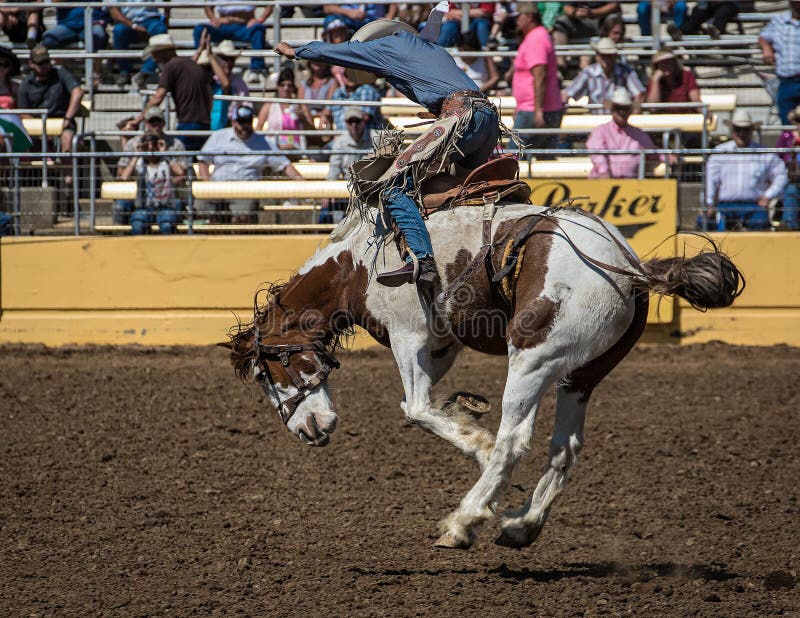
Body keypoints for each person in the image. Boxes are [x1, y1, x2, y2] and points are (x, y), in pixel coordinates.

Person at [276, 13, 501, 290]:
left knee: (393, 185)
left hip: (462, 118)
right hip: (488, 120)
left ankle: (423, 258)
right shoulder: (431, 49)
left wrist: (297, 51)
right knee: (461, 184)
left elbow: (339, 52)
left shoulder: (383, 47)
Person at [196, 106, 303, 224]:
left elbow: (285, 165)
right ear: (233, 121)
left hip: (245, 190)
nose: (244, 126)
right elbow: (203, 162)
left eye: (247, 122)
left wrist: (304, 185)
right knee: (200, 207)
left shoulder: (263, 142)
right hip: (217, 187)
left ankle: (235, 237)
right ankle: (216, 234)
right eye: (241, 122)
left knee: (243, 213)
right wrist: (207, 184)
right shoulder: (219, 136)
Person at [702, 109, 788, 231]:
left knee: (760, 223)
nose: (741, 133)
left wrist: (768, 196)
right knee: (705, 221)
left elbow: (781, 175)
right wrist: (709, 203)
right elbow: (710, 180)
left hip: (753, 205)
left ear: (751, 131)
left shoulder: (764, 153)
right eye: (738, 129)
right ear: (733, 130)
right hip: (726, 205)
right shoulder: (720, 152)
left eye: (746, 129)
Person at [126, 34, 213, 152]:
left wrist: (137, 120)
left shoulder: (171, 66)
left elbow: (158, 97)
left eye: (156, 53)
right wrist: (199, 50)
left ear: (164, 52)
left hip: (188, 124)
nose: (154, 58)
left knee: (180, 159)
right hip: (205, 124)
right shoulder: (189, 64)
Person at [115, 106, 187, 225]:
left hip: (167, 194)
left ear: (163, 123)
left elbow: (181, 174)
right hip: (138, 192)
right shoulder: (134, 143)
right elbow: (121, 174)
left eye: (158, 121)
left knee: (174, 210)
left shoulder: (175, 144)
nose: (156, 125)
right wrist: (137, 156)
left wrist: (163, 184)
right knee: (121, 206)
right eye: (152, 122)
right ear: (146, 123)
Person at [512, 3, 563, 153]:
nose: (517, 21)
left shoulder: (536, 38)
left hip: (535, 110)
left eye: (519, 17)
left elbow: (540, 76)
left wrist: (538, 110)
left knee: (512, 155)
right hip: (536, 108)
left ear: (529, 17)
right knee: (541, 156)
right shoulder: (538, 36)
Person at [17, 46, 83, 156]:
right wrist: (41, 130)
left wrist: (67, 118)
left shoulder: (61, 73)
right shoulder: (26, 83)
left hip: (62, 122)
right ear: (31, 63)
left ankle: (68, 173)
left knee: (67, 140)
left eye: (46, 62)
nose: (44, 66)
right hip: (37, 127)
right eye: (39, 63)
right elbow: (23, 113)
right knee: (20, 141)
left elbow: (78, 92)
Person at [118, 130, 181, 235]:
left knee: (167, 225)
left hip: (165, 207)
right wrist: (136, 155)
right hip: (143, 207)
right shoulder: (139, 163)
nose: (151, 148)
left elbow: (180, 172)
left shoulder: (165, 161)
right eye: (147, 145)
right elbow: (124, 177)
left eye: (154, 144)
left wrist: (165, 153)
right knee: (137, 225)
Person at [586, 88, 656, 179]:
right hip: (603, 183)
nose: (622, 111)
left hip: (630, 184)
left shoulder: (638, 134)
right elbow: (597, 155)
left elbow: (653, 151)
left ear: (630, 111)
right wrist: (604, 173)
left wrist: (667, 156)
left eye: (625, 108)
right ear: (612, 109)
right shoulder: (600, 131)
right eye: (618, 108)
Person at [193, 3, 272, 82]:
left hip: (245, 26)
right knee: (200, 29)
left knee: (258, 29)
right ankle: (202, 65)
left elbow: (270, 3)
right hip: (222, 27)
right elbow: (207, 5)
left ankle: (256, 69)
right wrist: (213, 18)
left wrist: (260, 19)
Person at [563, 37, 644, 113]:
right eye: (603, 55)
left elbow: (639, 95)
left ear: (615, 56)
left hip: (620, 123)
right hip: (596, 122)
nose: (607, 58)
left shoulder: (626, 72)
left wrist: (632, 114)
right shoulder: (588, 72)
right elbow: (567, 94)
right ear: (597, 56)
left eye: (610, 55)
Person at [323, 106, 374, 223]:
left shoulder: (376, 139)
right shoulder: (340, 142)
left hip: (370, 189)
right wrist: (328, 191)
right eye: (350, 121)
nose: (354, 125)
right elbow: (334, 168)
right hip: (348, 189)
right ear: (346, 124)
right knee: (326, 208)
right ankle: (322, 235)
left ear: (363, 121)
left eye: (357, 121)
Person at [108, 0, 169, 87]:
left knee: (161, 30)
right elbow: (113, 11)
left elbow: (167, 2)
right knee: (118, 31)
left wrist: (166, 17)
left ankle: (145, 72)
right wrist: (134, 26)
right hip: (127, 21)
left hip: (151, 20)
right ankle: (124, 72)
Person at [759, 1, 800, 125]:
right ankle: (789, 144)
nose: (798, 4)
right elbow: (763, 36)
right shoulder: (778, 20)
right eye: (795, 2)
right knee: (787, 123)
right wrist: (766, 49)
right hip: (786, 81)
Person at [255, 69, 311, 152]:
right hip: (273, 144)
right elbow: (258, 129)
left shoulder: (301, 106)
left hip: (294, 147)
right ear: (277, 86)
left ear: (293, 87)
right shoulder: (269, 105)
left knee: (285, 148)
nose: (286, 88)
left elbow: (312, 132)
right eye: (282, 85)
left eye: (289, 85)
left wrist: (303, 118)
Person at [553, 2, 621, 69]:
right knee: (561, 23)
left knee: (613, 20)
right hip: (577, 22)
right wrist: (575, 13)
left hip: (601, 21)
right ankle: (560, 65)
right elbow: (567, 7)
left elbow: (614, 4)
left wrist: (593, 12)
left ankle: (609, 58)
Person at [203, 40, 248, 131]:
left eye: (231, 59)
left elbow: (246, 106)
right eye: (224, 58)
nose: (228, 62)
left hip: (229, 125)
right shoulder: (208, 78)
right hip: (206, 124)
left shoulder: (238, 81)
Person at [770, 104, 800, 230]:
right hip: (791, 180)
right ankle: (790, 226)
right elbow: (777, 161)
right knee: (791, 190)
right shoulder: (786, 137)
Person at [41, 2, 108, 52]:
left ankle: (95, 70)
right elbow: (55, 2)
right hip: (67, 25)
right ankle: (61, 69)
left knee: (98, 34)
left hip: (93, 22)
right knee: (49, 39)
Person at [297, 60, 337, 133]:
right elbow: (301, 105)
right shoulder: (304, 84)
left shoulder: (331, 82)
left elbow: (329, 106)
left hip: (324, 119)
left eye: (320, 59)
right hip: (307, 119)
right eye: (314, 59)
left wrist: (321, 115)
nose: (317, 61)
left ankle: (314, 134)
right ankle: (314, 133)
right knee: (304, 107)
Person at [669, 0, 739, 39]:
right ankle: (680, 32)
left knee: (722, 13)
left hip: (727, 3)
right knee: (697, 13)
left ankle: (716, 31)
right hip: (708, 4)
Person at [322, 3, 397, 32]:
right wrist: (348, 12)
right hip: (347, 22)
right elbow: (327, 7)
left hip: (375, 22)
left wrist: (389, 18)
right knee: (333, 22)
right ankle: (337, 62)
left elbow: (394, 3)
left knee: (387, 26)